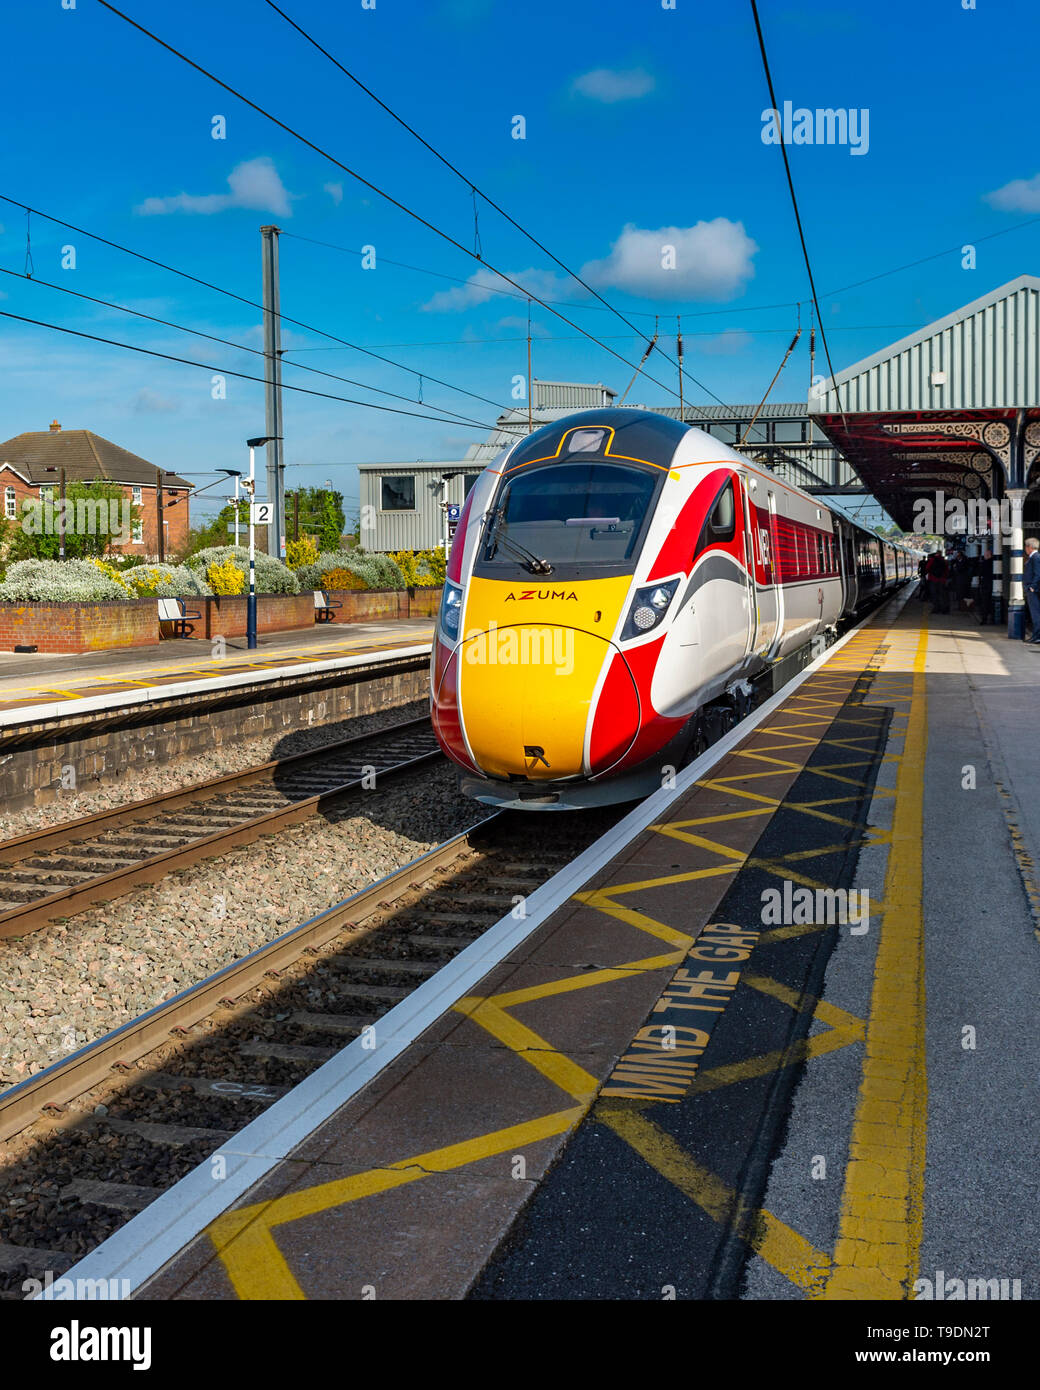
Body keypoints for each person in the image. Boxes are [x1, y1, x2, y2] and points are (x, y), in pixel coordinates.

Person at [1024, 537, 1040, 645]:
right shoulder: (1033, 557)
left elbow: (1038, 573)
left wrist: (1032, 586)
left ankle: (1037, 637)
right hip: (1032, 589)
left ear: (1029, 547)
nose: (1025, 548)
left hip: (1033, 590)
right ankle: (1035, 636)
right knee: (1034, 614)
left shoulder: (1035, 557)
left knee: (1036, 614)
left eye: (1026, 546)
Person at [977, 547, 994, 625]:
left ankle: (985, 618)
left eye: (986, 554)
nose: (985, 556)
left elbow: (981, 573)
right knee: (988, 603)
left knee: (985, 602)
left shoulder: (985, 563)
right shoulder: (993, 563)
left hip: (986, 585)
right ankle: (990, 618)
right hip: (990, 585)